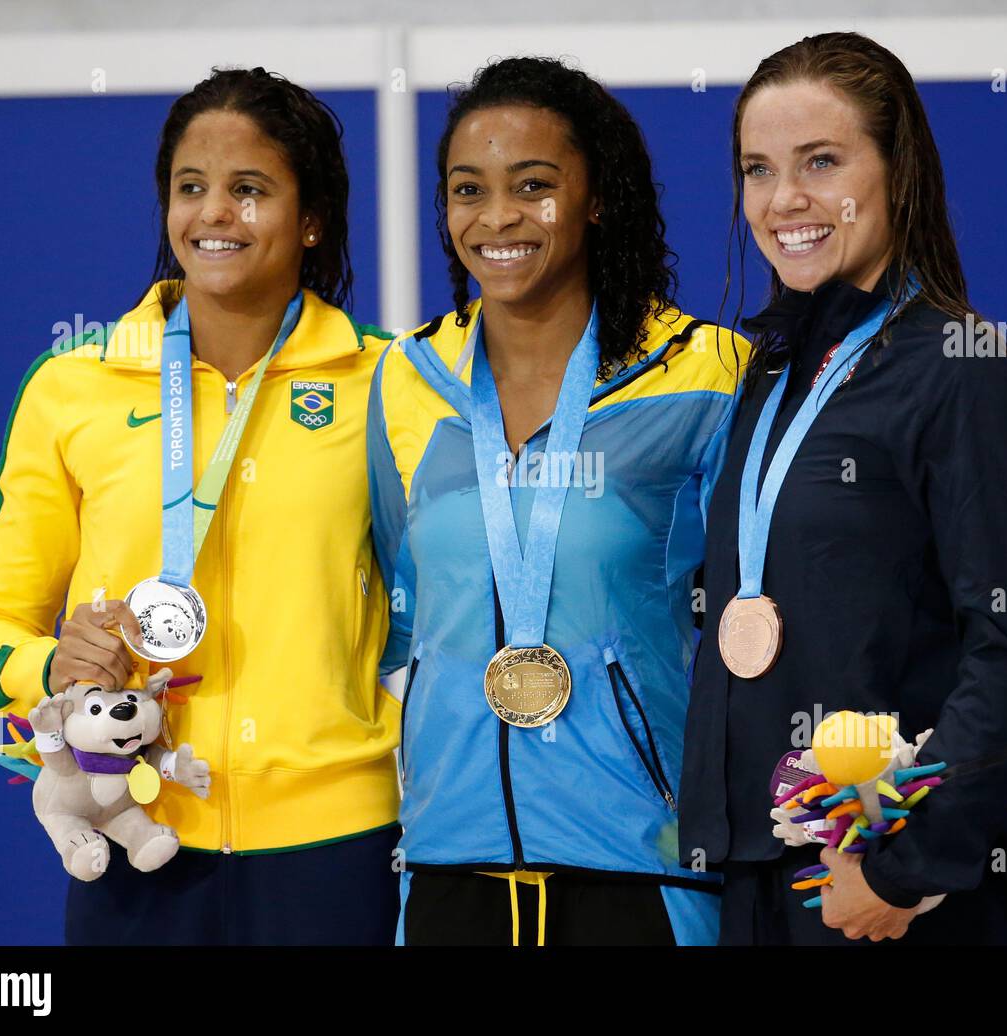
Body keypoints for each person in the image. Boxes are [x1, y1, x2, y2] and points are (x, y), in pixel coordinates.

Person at [0, 67, 401, 945]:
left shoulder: (386, 379)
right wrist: (53, 668)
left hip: (337, 843)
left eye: (249, 190)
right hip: (136, 835)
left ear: (311, 219)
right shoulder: (73, 386)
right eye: (190, 188)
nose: (214, 215)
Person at [679, 32, 1007, 946]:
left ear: (898, 171)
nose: (786, 201)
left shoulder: (957, 371)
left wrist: (905, 874)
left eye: (822, 161)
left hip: (891, 898)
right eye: (758, 169)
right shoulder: (772, 375)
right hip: (758, 877)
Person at [368, 57, 744, 945]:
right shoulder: (406, 377)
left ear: (597, 198)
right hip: (447, 865)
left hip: (640, 862)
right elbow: (404, 608)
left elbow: (767, 606)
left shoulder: (705, 373)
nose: (497, 218)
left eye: (533, 186)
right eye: (469, 189)